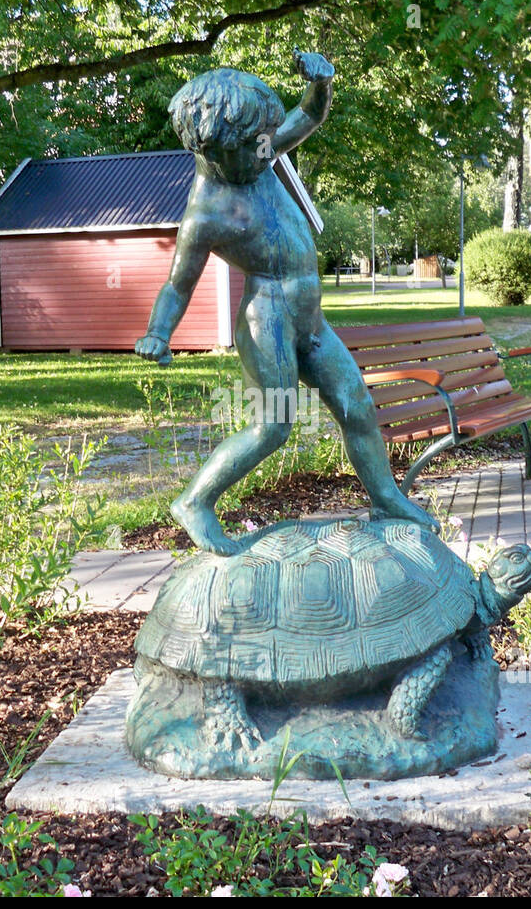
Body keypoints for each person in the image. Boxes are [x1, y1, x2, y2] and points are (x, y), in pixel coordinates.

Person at [135, 51, 437, 555]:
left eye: (264, 141)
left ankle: (385, 499)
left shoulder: (259, 154)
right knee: (272, 426)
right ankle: (195, 502)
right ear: (215, 149)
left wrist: (321, 83)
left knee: (356, 404)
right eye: (254, 145)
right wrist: (158, 333)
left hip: (309, 318)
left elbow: (311, 115)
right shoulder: (205, 214)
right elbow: (177, 285)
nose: (265, 149)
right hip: (266, 320)